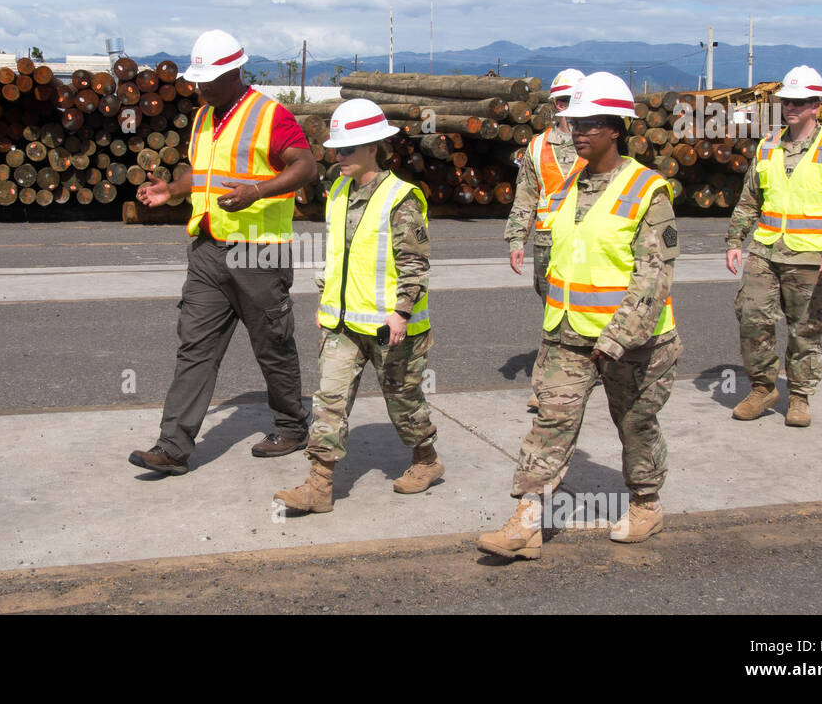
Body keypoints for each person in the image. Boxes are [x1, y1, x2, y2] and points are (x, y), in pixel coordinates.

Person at [477, 72, 681, 560]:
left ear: (616, 129)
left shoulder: (648, 190)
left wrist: (616, 338)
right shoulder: (568, 182)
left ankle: (647, 503)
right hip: (567, 335)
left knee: (635, 424)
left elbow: (654, 278)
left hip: (633, 343)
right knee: (550, 422)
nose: (578, 131)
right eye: (574, 123)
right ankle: (526, 523)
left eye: (590, 124)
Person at [128, 29, 319, 475]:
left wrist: (258, 191)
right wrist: (172, 190)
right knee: (194, 347)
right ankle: (172, 447)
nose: (201, 87)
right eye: (198, 79)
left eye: (209, 79)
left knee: (272, 345)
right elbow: (204, 175)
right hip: (209, 251)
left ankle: (292, 425)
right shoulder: (202, 118)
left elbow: (305, 166)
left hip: (260, 254)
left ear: (236, 72)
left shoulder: (269, 115)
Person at [273, 99, 440, 513]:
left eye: (346, 149)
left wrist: (402, 311)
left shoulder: (400, 198)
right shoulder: (339, 190)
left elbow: (415, 264)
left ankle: (426, 459)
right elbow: (337, 254)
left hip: (390, 327)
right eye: (335, 149)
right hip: (343, 324)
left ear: (372, 148)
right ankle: (319, 484)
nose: (337, 156)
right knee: (328, 400)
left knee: (404, 404)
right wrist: (326, 298)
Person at [725, 65, 822, 427]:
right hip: (766, 251)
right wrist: (735, 240)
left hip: (811, 256)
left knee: (806, 328)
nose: (792, 107)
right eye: (788, 101)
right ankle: (763, 387)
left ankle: (799, 396)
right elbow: (749, 199)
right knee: (752, 318)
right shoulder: (769, 144)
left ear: (817, 105)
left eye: (801, 102)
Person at [505, 68, 586, 410]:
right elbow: (526, 195)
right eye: (562, 101)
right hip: (547, 243)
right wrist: (515, 240)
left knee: (587, 312)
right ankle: (549, 385)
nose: (566, 109)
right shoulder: (538, 146)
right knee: (553, 315)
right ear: (554, 104)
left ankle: (566, 380)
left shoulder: (598, 143)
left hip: (588, 243)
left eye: (573, 101)